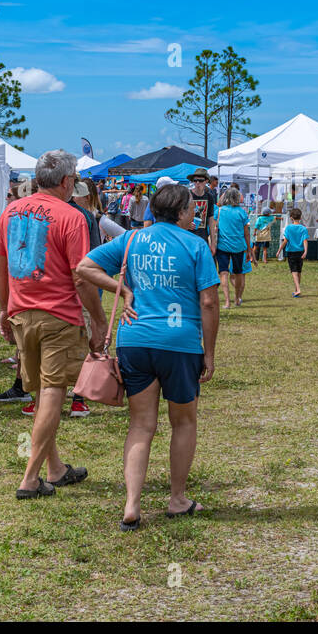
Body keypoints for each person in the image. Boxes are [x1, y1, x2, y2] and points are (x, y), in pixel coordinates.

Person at [77, 182, 220, 529]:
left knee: (141, 425)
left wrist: (122, 290)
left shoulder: (131, 239)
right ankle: (177, 498)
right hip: (180, 341)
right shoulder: (196, 245)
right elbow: (209, 302)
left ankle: (131, 505)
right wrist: (210, 353)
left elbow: (84, 268)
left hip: (135, 339)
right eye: (191, 209)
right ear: (184, 211)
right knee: (183, 421)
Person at [0, 150, 107, 498]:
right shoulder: (72, 216)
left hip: (21, 312)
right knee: (54, 392)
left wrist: (3, 308)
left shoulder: (11, 210)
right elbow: (82, 277)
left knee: (43, 393)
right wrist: (99, 321)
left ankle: (54, 468)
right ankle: (29, 479)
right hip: (58, 314)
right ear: (67, 181)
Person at [214, 186, 252, 308]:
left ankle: (226, 301)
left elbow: (215, 228)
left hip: (222, 246)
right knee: (238, 272)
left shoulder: (219, 211)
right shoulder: (242, 212)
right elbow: (246, 232)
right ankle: (237, 298)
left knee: (223, 273)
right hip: (238, 246)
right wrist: (249, 249)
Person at [279, 207, 308, 297]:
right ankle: (296, 290)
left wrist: (279, 250)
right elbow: (305, 241)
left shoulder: (288, 228)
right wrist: (306, 251)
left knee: (294, 272)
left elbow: (285, 241)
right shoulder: (303, 229)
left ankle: (298, 289)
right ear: (300, 217)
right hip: (300, 252)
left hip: (291, 252)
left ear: (291, 218)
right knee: (298, 271)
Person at [188, 169, 218, 250]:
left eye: (200, 180)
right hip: (188, 238)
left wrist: (213, 243)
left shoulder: (209, 197)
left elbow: (211, 220)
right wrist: (187, 224)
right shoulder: (187, 195)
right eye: (195, 180)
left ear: (206, 181)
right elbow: (179, 216)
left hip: (202, 238)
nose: (197, 183)